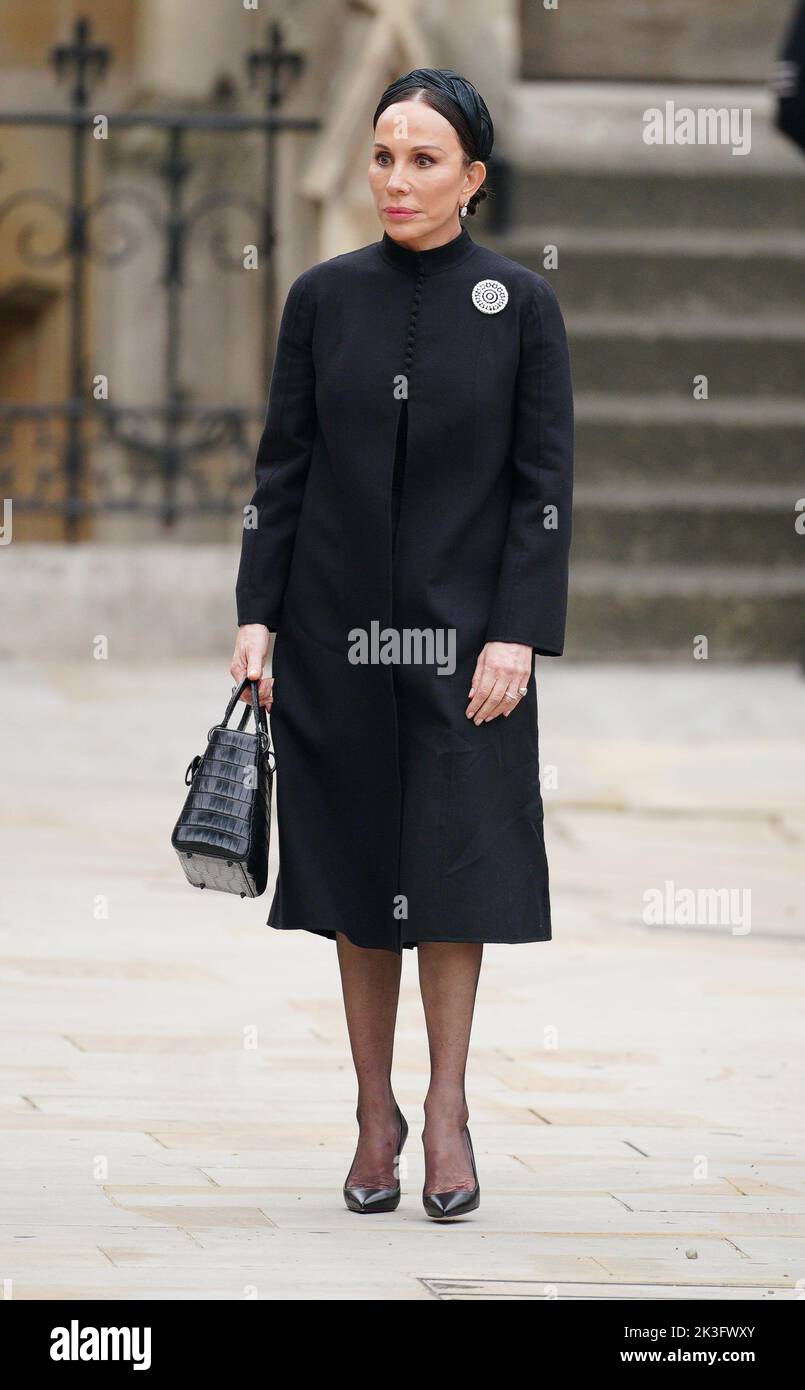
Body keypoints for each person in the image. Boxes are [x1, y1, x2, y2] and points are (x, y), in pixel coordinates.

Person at [230, 68, 574, 1219]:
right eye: (383, 155)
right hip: (332, 638)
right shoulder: (322, 298)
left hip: (469, 647)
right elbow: (281, 471)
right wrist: (256, 616)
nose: (395, 178)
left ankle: (448, 1109)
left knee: (452, 876)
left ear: (472, 179)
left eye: (423, 160)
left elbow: (542, 485)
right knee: (355, 872)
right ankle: (373, 1111)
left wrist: (518, 632)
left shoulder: (521, 306)